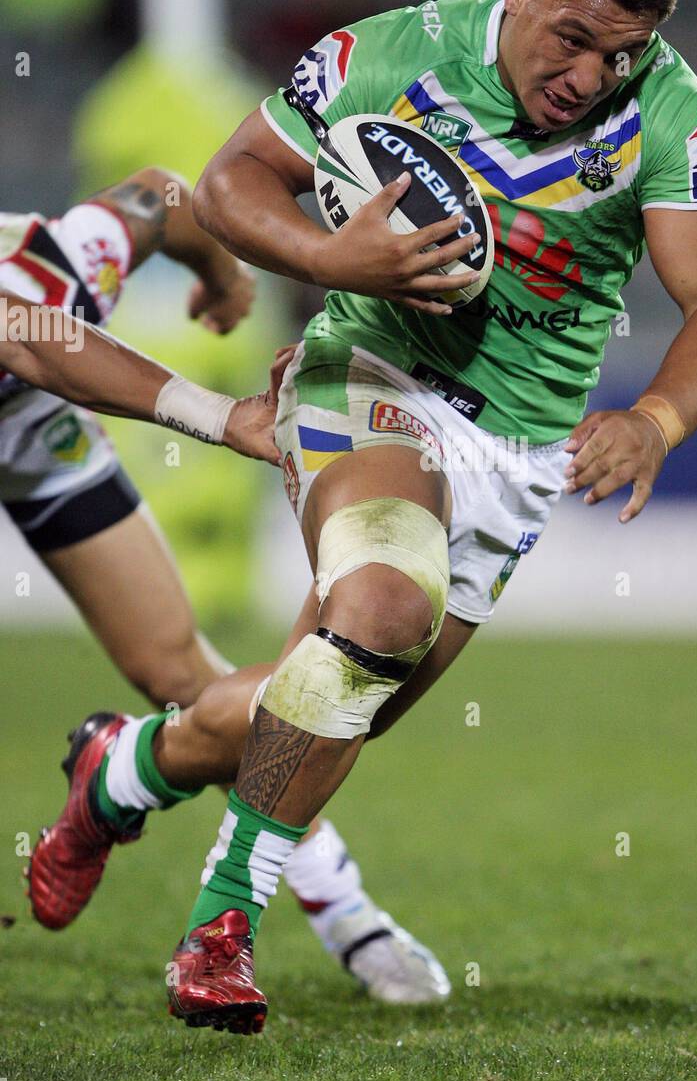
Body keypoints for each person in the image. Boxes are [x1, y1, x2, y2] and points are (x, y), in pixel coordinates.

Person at [33, 0, 697, 1035]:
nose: (587, 75)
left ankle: (125, 771)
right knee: (379, 607)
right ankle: (221, 930)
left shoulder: (670, 111)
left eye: (617, 55)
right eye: (569, 37)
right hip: (369, 378)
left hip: (519, 451)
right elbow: (229, 183)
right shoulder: (396, 52)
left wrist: (659, 417)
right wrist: (332, 259)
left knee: (323, 707)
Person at [7, 172, 449, 1003]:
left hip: (32, 429)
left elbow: (161, 199)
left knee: (191, 676)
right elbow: (22, 336)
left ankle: (342, 909)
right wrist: (217, 415)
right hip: (31, 392)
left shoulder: (54, 265)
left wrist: (221, 274)